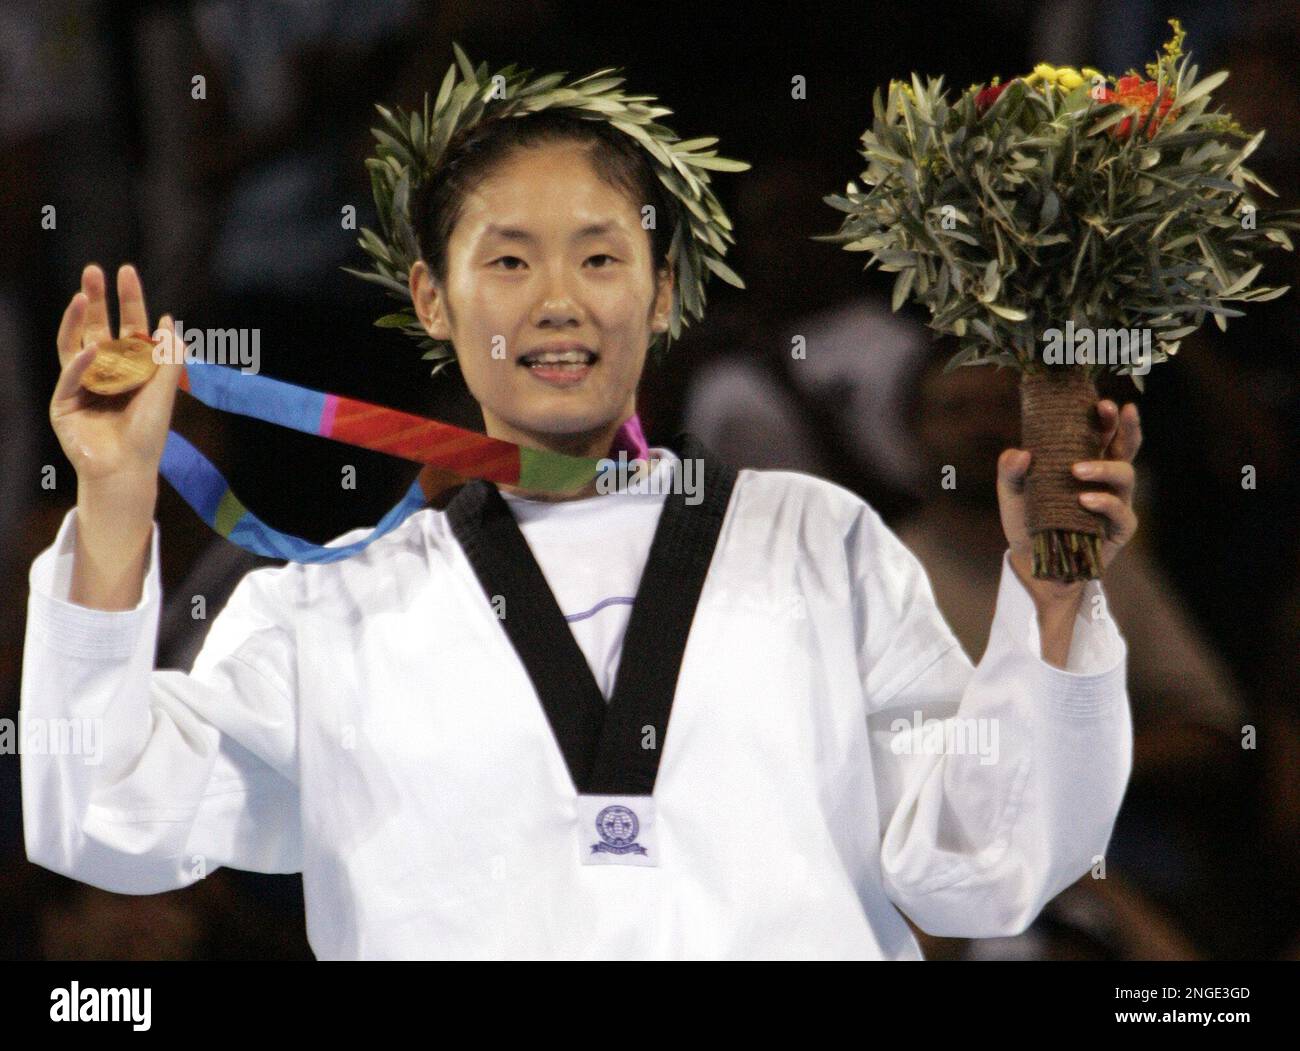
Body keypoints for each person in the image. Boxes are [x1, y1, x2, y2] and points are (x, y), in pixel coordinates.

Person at [20, 56, 1143, 960]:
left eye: (600, 256)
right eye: (507, 261)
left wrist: (1051, 613)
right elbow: (112, 820)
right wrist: (118, 501)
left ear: (659, 293)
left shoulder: (817, 541)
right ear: (431, 298)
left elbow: (984, 865)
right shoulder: (332, 611)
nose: (558, 300)